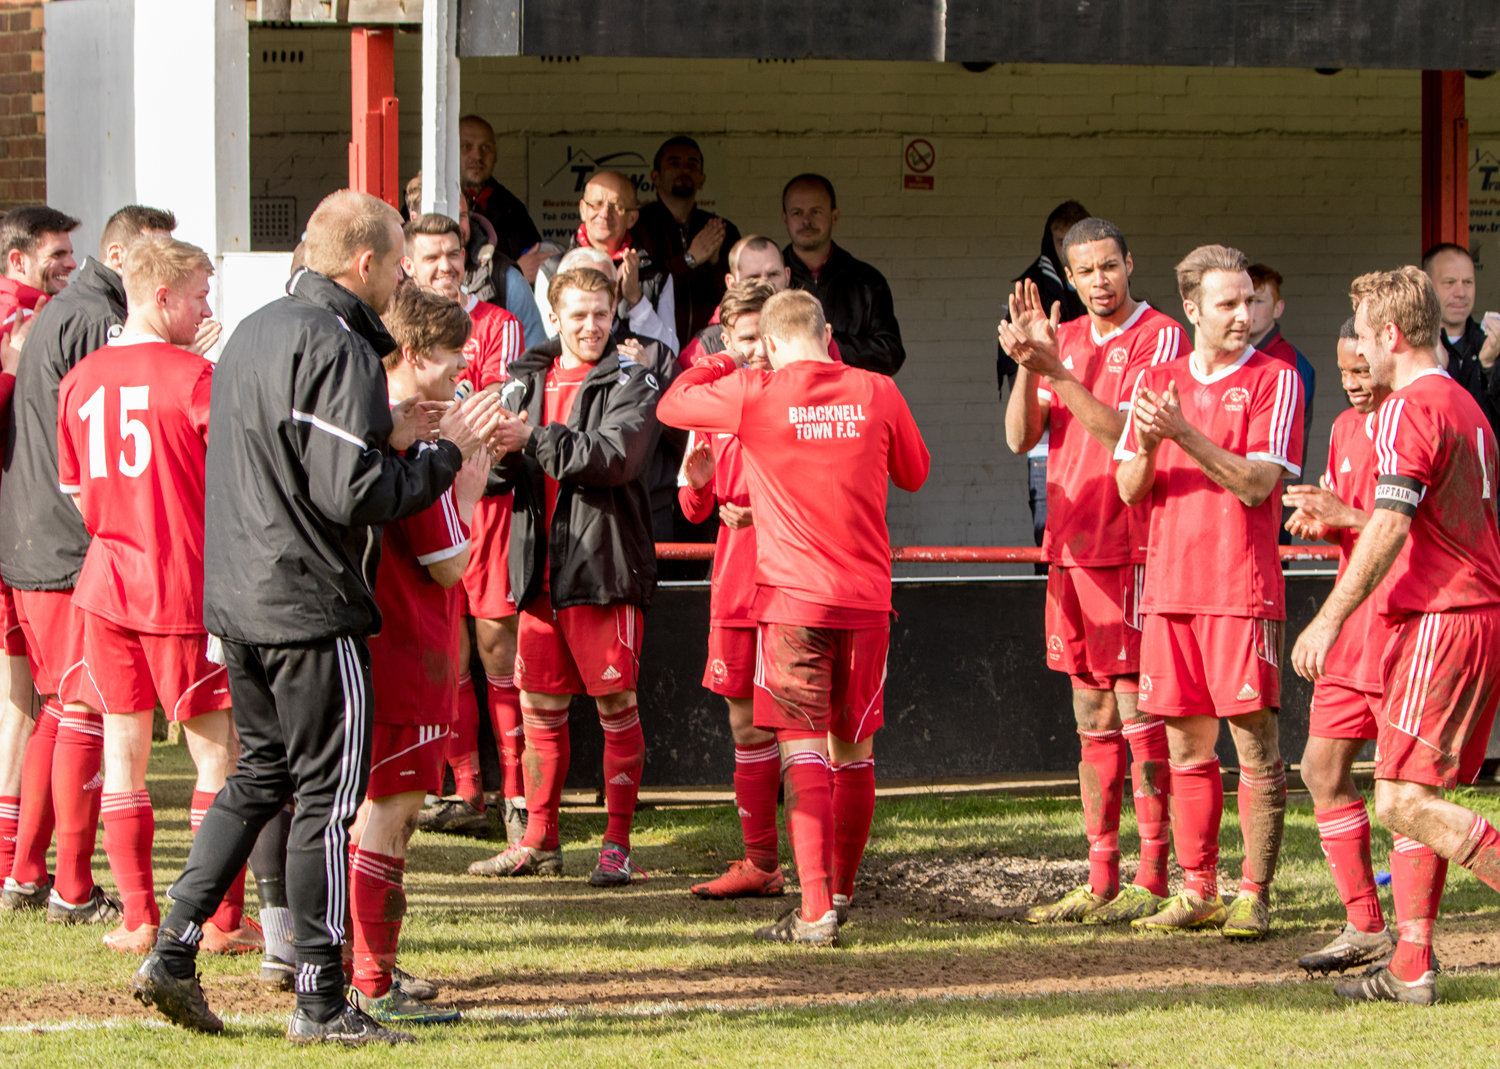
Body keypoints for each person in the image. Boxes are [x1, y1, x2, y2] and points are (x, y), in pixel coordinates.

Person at [130, 190, 503, 1045]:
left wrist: (392, 432)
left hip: (239, 596)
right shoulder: (337, 342)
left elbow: (299, 460)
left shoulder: (256, 329)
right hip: (308, 606)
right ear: (365, 264)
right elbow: (351, 490)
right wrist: (441, 457)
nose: (406, 272)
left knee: (259, 780)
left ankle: (175, 947)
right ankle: (323, 999)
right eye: (399, 260)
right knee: (327, 801)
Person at [657, 289, 930, 946]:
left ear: (772, 346)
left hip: (791, 600)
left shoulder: (756, 392)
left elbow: (672, 404)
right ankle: (841, 887)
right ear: (828, 331)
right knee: (855, 750)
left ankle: (815, 910)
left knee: (800, 746)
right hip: (866, 599)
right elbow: (916, 474)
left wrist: (719, 364)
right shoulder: (878, 389)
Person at [1290, 267, 1500, 1006]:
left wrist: (1326, 616)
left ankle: (1409, 955)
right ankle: (1411, 962)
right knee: (1419, 791)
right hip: (1469, 614)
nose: (1360, 359)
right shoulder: (1466, 403)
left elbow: (1388, 522)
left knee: (1402, 800)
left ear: (1390, 335)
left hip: (1444, 616)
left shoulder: (1411, 407)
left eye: (1364, 338)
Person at [54, 235, 243, 956]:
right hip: (182, 584)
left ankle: (137, 914)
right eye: (199, 294)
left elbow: (77, 496)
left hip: (106, 584)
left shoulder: (80, 379)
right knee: (215, 759)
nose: (207, 308)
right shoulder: (196, 377)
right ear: (161, 297)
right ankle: (221, 918)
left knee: (124, 753)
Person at [1000, 217, 1188, 925]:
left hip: (1131, 544)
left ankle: (1153, 873)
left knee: (1142, 711)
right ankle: (1101, 876)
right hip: (1068, 548)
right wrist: (1029, 360)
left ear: (1129, 263)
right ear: (1068, 277)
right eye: (1086, 271)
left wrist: (1059, 372)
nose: (1100, 279)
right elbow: (1021, 437)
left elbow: (1127, 435)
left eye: (1110, 265)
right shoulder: (1065, 338)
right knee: (1091, 714)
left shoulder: (1159, 335)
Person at [1115, 244, 1303, 940]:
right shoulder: (1155, 380)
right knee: (1186, 746)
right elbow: (1130, 489)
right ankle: (1198, 888)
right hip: (1169, 589)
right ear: (1191, 308)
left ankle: (1254, 892)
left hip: (1240, 588)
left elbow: (1258, 484)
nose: (1243, 315)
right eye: (1226, 303)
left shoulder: (1275, 379)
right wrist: (1145, 440)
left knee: (1254, 745)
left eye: (1249, 301)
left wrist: (1182, 433)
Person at [0, 205, 176, 923]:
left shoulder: (64, 310)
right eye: (157, 253)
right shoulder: (91, 317)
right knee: (79, 707)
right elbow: (94, 431)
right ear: (122, 253)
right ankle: (66, 883)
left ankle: (28, 869)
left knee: (52, 707)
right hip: (62, 542)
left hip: (34, 534)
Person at [466, 267, 661, 887]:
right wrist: (490, 453)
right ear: (555, 315)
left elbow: (614, 458)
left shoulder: (634, 375)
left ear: (614, 313)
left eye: (601, 313)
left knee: (615, 705)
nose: (591, 326)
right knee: (540, 706)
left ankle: (617, 844)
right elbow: (500, 477)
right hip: (539, 566)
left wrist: (531, 438)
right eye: (577, 314)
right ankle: (539, 838)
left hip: (603, 567)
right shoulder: (526, 376)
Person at [349, 283, 487, 1027]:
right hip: (407, 645)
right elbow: (446, 563)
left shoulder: (383, 423)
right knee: (392, 813)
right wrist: (466, 485)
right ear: (412, 354)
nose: (461, 367)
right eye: (451, 353)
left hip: (388, 642)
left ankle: (360, 963)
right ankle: (368, 977)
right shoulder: (422, 443)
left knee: (375, 809)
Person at [400, 213, 526, 839]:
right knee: (445, 653)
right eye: (431, 258)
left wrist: (444, 415)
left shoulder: (497, 324)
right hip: (425, 496)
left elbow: (495, 409)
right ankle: (466, 791)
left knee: (496, 647)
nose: (445, 266)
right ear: (409, 265)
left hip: (490, 502)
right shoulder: (398, 330)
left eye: (454, 254)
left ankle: (517, 795)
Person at [1280, 316, 1396, 974]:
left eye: (1362, 369)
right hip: (1349, 622)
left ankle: (1418, 938)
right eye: (1345, 371)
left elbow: (1405, 527)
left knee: (1406, 791)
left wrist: (1345, 516)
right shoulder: (1348, 428)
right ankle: (1364, 925)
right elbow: (1355, 524)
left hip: (1405, 625)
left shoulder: (1412, 422)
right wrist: (1320, 519)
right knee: (1321, 770)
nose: (1353, 384)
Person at [677, 280, 783, 900]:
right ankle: (761, 862)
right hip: (737, 585)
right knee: (745, 726)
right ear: (727, 340)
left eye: (765, 338)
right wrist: (698, 485)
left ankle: (823, 872)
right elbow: (693, 507)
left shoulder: (804, 395)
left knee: (802, 730)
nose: (758, 351)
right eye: (746, 340)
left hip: (796, 583)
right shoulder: (713, 407)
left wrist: (766, 512)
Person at [0, 205, 75, 888]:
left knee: (26, 694)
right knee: (42, 697)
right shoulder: (17, 318)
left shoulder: (34, 318)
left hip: (18, 529)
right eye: (55, 253)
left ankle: (17, 860)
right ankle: (20, 864)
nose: (69, 264)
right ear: (17, 260)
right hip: (22, 534)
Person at [996, 200, 1092, 551]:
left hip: (1098, 437)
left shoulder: (1102, 290)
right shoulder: (1030, 286)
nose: (1066, 249)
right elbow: (1015, 370)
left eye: (1074, 239)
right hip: (1047, 438)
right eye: (1059, 240)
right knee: (1051, 542)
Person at [534, 170, 678, 355]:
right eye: (596, 204)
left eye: (615, 206)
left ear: (632, 218)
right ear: (583, 210)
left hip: (637, 380)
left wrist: (636, 299)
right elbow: (550, 346)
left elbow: (670, 350)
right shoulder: (552, 270)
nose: (604, 213)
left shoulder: (656, 274)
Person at [401, 170, 546, 349]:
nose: (452, 224)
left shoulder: (505, 279)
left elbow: (535, 358)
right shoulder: (394, 280)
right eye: (443, 215)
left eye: (461, 215)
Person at [782, 174, 904, 376]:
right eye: (797, 213)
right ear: (785, 218)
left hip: (852, 404)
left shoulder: (867, 281)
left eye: (816, 211)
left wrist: (828, 344)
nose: (806, 221)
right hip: (789, 402)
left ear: (834, 216)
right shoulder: (768, 280)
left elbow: (890, 355)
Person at [631, 136, 741, 344]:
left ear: (702, 179)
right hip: (654, 347)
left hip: (712, 348)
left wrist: (715, 262)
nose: (684, 169)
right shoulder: (639, 225)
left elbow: (737, 297)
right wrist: (690, 259)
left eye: (692, 164)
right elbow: (643, 289)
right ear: (655, 177)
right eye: (674, 163)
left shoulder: (720, 229)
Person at [1421, 243, 1500, 436]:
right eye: (1450, 282)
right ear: (1427, 287)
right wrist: (1433, 369)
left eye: (1468, 282)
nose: (1461, 293)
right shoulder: (1412, 347)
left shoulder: (1492, 342)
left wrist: (1489, 367)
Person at [1247, 264, 1317, 476]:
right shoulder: (1241, 357)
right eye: (1247, 300)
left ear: (1278, 308)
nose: (1250, 309)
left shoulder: (1287, 362)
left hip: (1277, 486)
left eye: (1259, 301)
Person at [458, 114, 547, 281]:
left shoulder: (513, 209)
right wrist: (515, 272)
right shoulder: (432, 202)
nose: (477, 156)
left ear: (496, 154)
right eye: (466, 147)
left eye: (485, 147)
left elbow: (537, 264)